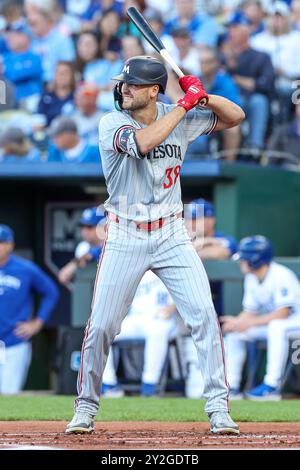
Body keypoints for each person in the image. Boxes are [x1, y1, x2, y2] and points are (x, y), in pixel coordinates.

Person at [66, 54, 245, 435]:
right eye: (123, 83)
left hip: (172, 233)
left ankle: (219, 409)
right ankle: (85, 408)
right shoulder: (112, 121)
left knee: (204, 318)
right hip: (125, 233)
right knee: (101, 327)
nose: (124, 89)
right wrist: (184, 103)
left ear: (152, 90)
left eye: (132, 84)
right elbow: (145, 143)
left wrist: (204, 95)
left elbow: (236, 117)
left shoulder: (177, 113)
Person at [221, 235, 300, 400]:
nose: (241, 262)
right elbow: (250, 311)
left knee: (276, 326)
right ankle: (232, 387)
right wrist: (237, 323)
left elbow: (283, 313)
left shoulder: (281, 275)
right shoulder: (251, 278)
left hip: (294, 321)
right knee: (237, 333)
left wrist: (248, 322)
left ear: (256, 260)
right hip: (278, 325)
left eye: (244, 259)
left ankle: (271, 386)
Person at [0, 224, 59, 394]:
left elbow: (51, 293)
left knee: (8, 396)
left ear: (10, 245)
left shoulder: (25, 269)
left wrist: (38, 323)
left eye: (1, 242)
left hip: (14, 340)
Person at [102, 270, 178, 397]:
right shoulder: (133, 262)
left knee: (157, 330)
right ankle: (109, 384)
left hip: (162, 317)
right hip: (136, 317)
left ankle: (149, 386)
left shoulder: (172, 260)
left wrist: (173, 307)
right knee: (104, 331)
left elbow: (189, 293)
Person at [222, 11, 275, 151]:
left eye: (234, 27)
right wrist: (229, 63)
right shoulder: (222, 55)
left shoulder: (261, 56)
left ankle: (254, 147)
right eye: (229, 28)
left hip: (250, 101)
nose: (230, 31)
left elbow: (265, 85)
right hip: (227, 99)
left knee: (259, 101)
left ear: (246, 29)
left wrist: (236, 77)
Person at [58, 207, 106, 286]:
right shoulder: (83, 247)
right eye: (83, 226)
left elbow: (100, 250)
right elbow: (63, 277)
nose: (84, 231)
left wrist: (90, 254)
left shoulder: (113, 243)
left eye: (89, 227)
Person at [3, 23, 43, 111]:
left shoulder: (35, 56)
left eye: (17, 34)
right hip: (7, 102)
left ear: (26, 37)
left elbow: (13, 75)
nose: (10, 37)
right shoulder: (5, 58)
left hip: (32, 100)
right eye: (10, 34)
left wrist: (7, 72)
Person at [37, 61, 76, 126]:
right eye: (58, 72)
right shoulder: (45, 97)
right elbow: (39, 120)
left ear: (72, 76)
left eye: (65, 72)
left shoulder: (77, 96)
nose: (61, 76)